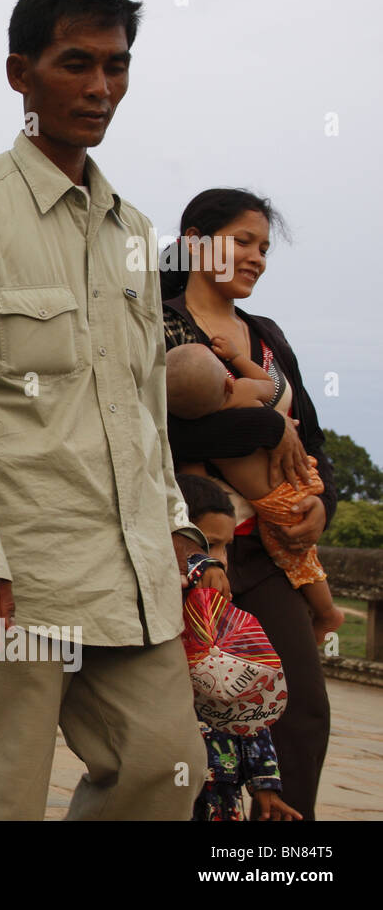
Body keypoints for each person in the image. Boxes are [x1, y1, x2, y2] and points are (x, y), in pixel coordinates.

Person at [0, 0, 214, 820]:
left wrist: (178, 526)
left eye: (117, 65)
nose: (101, 87)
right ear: (19, 73)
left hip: (129, 563)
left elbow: (144, 402)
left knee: (165, 765)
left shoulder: (136, 234)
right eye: (76, 63)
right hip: (11, 562)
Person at [161, 188, 337, 820]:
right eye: (242, 241)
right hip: (191, 545)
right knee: (187, 718)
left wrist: (322, 508)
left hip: (268, 551)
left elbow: (311, 436)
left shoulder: (266, 337)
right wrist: (268, 429)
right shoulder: (159, 323)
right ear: (194, 240)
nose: (257, 257)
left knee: (299, 706)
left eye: (263, 247)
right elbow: (164, 434)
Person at [165, 343, 342, 643]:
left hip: (283, 499)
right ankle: (326, 612)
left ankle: (327, 613)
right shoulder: (241, 393)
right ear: (226, 381)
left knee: (295, 556)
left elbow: (197, 492)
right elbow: (268, 384)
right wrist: (237, 358)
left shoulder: (197, 439)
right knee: (296, 554)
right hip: (298, 478)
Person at [176, 474, 302, 821]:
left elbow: (250, 711)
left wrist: (266, 785)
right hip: (172, 777)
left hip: (223, 789)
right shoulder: (161, 622)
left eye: (225, 547)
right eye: (209, 545)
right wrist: (201, 565)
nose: (222, 560)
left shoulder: (229, 626)